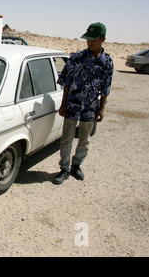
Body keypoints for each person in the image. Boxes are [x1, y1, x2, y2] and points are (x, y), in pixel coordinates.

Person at [53, 22, 114, 185]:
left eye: (93, 39)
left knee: (84, 140)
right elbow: (66, 82)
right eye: (88, 38)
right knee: (66, 139)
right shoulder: (76, 57)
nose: (89, 42)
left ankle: (76, 166)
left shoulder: (107, 62)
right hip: (72, 105)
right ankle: (64, 169)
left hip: (91, 108)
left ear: (103, 39)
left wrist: (101, 109)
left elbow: (105, 88)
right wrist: (63, 103)